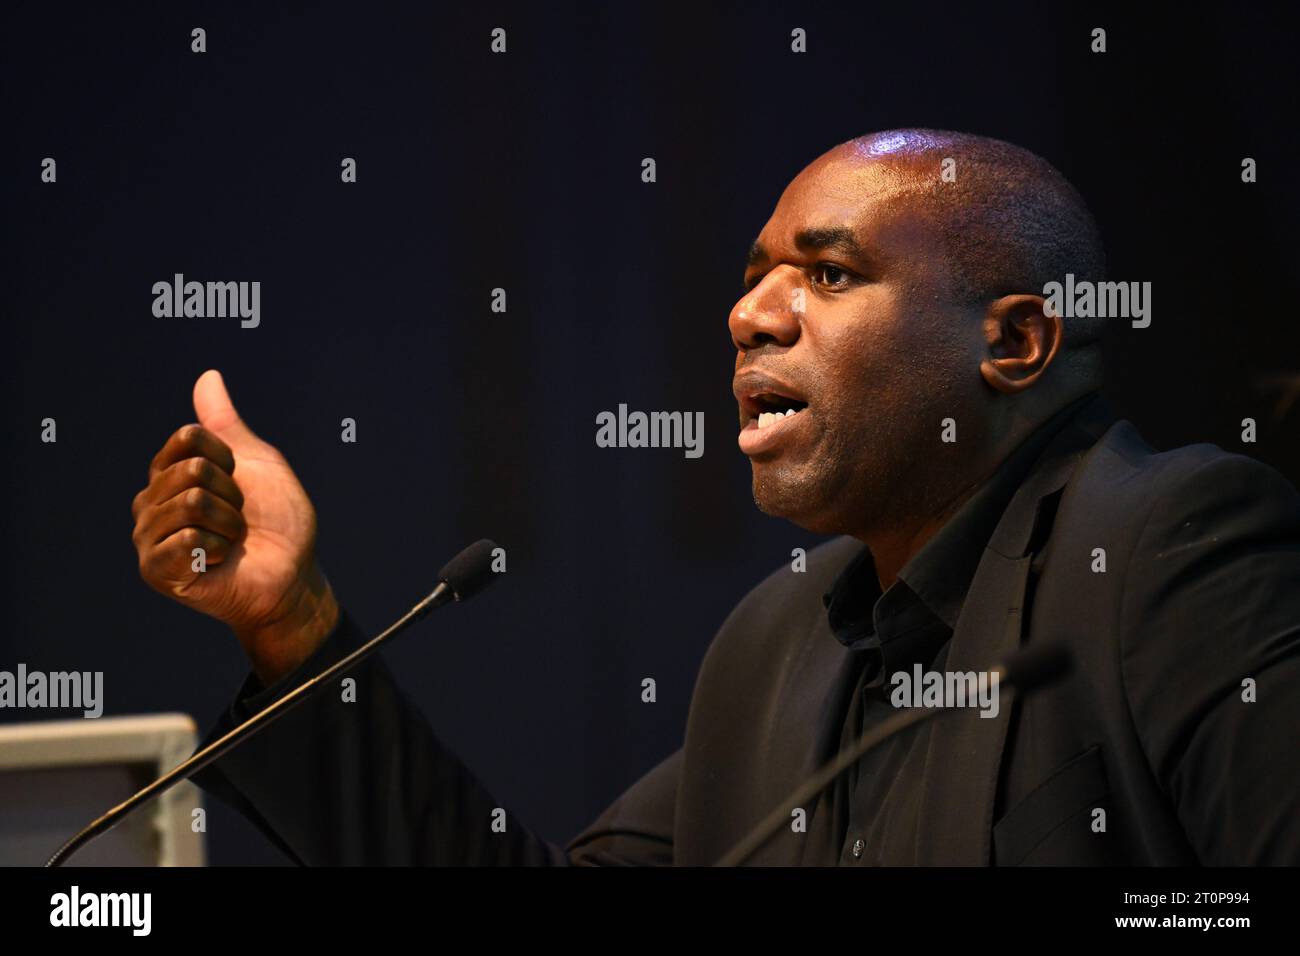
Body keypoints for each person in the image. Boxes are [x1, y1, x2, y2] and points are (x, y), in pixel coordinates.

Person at [129, 129, 1300, 865]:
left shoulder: (1171, 548)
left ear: (1013, 341)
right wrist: (294, 627)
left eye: (829, 274)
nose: (751, 314)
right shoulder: (777, 644)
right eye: (754, 280)